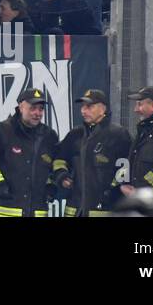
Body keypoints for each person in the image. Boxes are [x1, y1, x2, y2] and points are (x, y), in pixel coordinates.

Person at [0, 87, 59, 217]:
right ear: (21, 107)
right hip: (3, 211)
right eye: (33, 108)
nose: (37, 113)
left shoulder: (49, 136)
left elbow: (55, 166)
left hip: (37, 212)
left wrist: (50, 186)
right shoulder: (1, 131)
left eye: (41, 109)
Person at [53, 89, 132, 217]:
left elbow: (126, 168)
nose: (83, 111)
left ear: (102, 109)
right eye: (83, 107)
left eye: (89, 107)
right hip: (74, 210)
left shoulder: (119, 135)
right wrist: (61, 175)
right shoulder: (75, 135)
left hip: (104, 209)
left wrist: (111, 191)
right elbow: (59, 159)